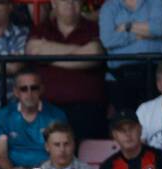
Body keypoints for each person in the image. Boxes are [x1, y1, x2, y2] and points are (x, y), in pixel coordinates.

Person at [26, 0, 106, 142]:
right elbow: (33, 51)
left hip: (87, 112)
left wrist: (48, 54)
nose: (69, 2)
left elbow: (94, 54)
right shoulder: (41, 28)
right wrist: (79, 53)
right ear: (54, 4)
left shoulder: (95, 28)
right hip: (46, 111)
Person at [0, 69, 68, 169]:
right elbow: (0, 154)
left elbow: (60, 154)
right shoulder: (4, 115)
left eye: (34, 88)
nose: (29, 93)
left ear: (41, 89)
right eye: (23, 89)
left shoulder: (56, 116)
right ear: (16, 92)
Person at [97, 0, 162, 114]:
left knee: (155, 119)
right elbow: (107, 40)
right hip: (121, 75)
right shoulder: (109, 6)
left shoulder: (156, 2)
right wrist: (140, 34)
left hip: (154, 71)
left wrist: (126, 26)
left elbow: (159, 28)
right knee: (127, 124)